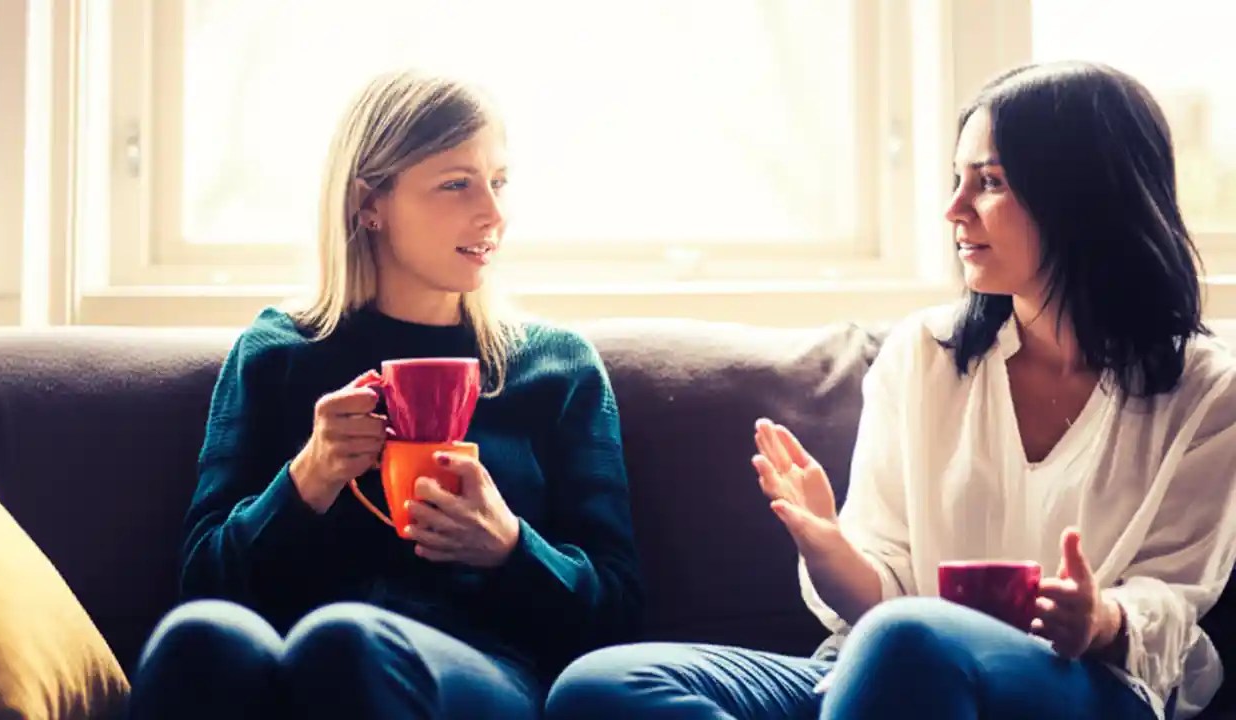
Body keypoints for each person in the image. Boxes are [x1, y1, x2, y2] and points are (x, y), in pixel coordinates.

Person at [545, 61, 1236, 720]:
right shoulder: (923, 357)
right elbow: (883, 600)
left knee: (912, 640)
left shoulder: (1206, 390)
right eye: (956, 179)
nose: (954, 209)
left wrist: (1100, 618)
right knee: (603, 684)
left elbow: (1174, 595)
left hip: (1084, 686)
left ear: (1082, 195)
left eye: (988, 182)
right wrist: (826, 546)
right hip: (887, 670)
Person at [126, 70, 642, 720]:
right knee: (199, 637)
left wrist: (512, 548)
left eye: (499, 181)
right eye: (457, 184)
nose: (494, 212)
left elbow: (618, 613)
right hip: (288, 655)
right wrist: (306, 482)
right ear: (370, 203)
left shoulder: (556, 369)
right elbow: (201, 583)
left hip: (483, 669)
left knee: (345, 640)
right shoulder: (275, 355)